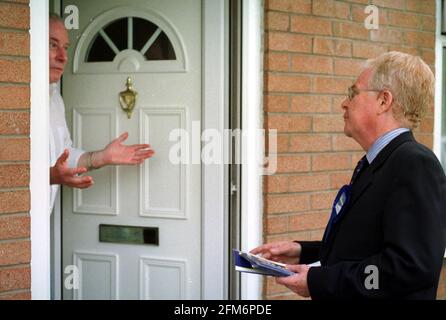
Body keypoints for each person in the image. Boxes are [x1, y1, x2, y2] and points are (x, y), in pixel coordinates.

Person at [252, 51, 446, 299]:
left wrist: (320, 280)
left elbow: (410, 268)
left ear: (384, 101)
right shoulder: (378, 162)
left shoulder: (415, 164)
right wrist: (304, 251)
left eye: (353, 93)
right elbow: (363, 247)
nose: (344, 102)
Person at [49, 14, 155, 210]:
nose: (62, 57)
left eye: (65, 48)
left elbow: (62, 156)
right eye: (52, 45)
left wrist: (101, 157)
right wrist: (49, 176)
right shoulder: (11, 100)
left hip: (37, 227)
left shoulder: (54, 98)